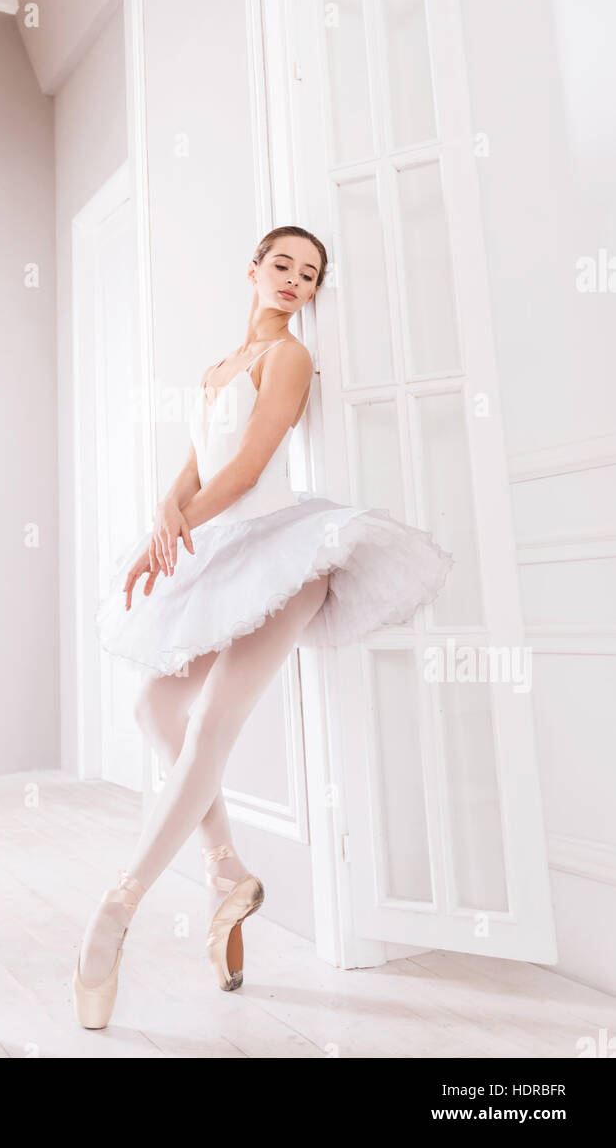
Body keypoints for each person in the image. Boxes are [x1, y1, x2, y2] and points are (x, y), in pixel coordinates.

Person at [73, 225, 454, 1029]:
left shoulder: (291, 358)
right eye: (282, 264)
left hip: (283, 548)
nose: (293, 280)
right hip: (223, 549)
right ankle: (225, 873)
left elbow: (247, 470)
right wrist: (163, 513)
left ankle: (120, 905)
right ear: (252, 269)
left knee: (211, 717)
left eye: (308, 275)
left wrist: (170, 535)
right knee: (151, 707)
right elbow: (196, 467)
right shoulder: (216, 368)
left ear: (313, 293)